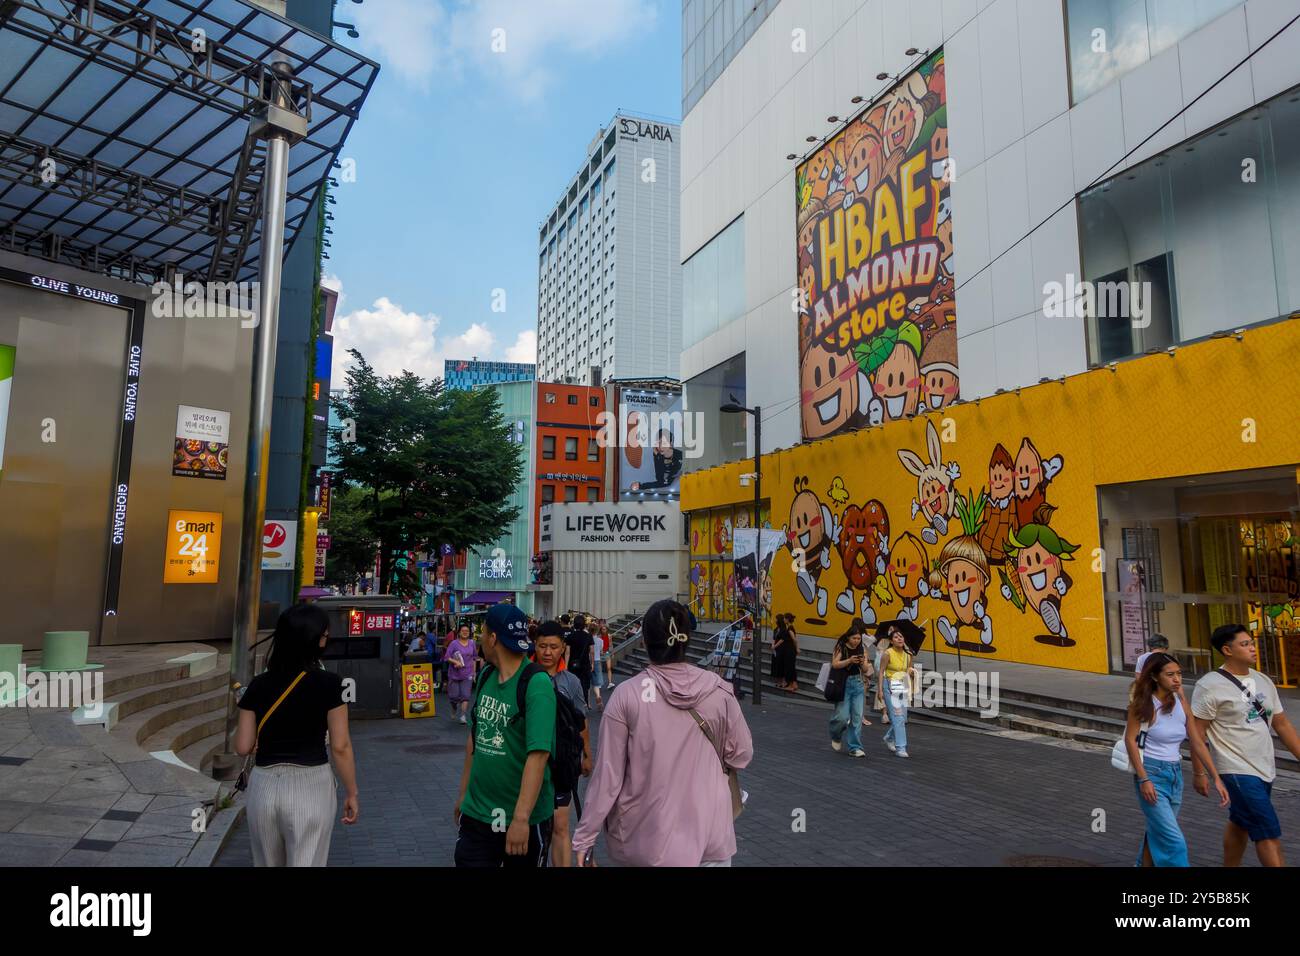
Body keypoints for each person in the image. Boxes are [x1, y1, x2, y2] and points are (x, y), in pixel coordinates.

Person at [573, 599, 753, 867]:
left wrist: (585, 837)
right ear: (687, 639)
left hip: (647, 841)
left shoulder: (628, 695)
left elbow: (608, 777)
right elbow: (741, 755)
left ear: (644, 641)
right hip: (710, 838)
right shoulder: (719, 691)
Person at [235, 603, 358, 866]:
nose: (326, 641)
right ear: (313, 640)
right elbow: (340, 746)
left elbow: (242, 746)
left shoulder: (258, 684)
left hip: (264, 785)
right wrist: (352, 792)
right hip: (310, 784)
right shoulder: (330, 684)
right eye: (324, 636)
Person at [453, 604, 557, 867]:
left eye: (482, 632)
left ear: (493, 638)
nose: (479, 639)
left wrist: (521, 818)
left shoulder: (537, 684)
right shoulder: (487, 674)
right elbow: (474, 739)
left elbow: (539, 754)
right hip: (477, 814)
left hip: (522, 819)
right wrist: (463, 795)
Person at [1191, 623, 1300, 867]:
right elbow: (1197, 733)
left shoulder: (1262, 680)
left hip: (1264, 767)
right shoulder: (1209, 685)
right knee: (1267, 830)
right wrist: (1199, 773)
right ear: (1227, 650)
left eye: (1251, 643)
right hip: (1235, 769)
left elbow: (1282, 724)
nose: (1253, 648)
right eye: (1245, 644)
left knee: (1240, 822)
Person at [1124, 653, 1228, 866]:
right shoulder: (1143, 704)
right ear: (1154, 676)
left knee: (1158, 833)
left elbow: (1197, 741)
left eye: (1179, 674)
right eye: (1170, 675)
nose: (1177, 679)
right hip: (1151, 774)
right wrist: (1144, 779)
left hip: (1175, 775)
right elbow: (1130, 741)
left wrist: (1215, 777)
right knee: (1174, 841)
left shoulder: (1180, 699)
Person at [534, 621, 592, 867]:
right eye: (543, 646)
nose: (547, 652)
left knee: (560, 825)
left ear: (562, 648)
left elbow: (581, 722)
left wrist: (587, 756)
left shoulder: (571, 682)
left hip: (563, 764)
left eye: (553, 647)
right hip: (530, 762)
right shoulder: (525, 677)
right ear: (534, 646)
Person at [828, 625, 869, 758]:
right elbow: (835, 664)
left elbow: (865, 670)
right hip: (843, 684)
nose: (857, 640)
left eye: (858, 638)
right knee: (842, 717)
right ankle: (836, 735)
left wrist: (862, 663)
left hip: (857, 683)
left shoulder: (862, 648)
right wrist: (850, 660)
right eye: (854, 638)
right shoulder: (841, 646)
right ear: (848, 637)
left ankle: (855, 747)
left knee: (857, 717)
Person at [880, 625, 916, 757]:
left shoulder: (908, 655)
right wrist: (880, 690)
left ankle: (889, 737)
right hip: (890, 685)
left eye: (901, 636)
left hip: (903, 684)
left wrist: (911, 672)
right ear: (891, 641)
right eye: (896, 637)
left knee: (903, 718)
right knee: (898, 717)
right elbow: (881, 672)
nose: (899, 638)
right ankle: (901, 747)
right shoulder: (887, 653)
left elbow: (908, 671)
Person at [445, 623, 478, 723]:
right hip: (454, 674)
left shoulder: (472, 643)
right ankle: (454, 708)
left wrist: (474, 672)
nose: (465, 632)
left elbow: (474, 658)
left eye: (467, 631)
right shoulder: (454, 643)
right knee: (454, 697)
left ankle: (463, 716)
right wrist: (456, 662)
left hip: (467, 674)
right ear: (459, 632)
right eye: (463, 631)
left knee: (465, 696)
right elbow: (447, 657)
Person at [564, 613, 596, 705]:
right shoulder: (588, 636)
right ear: (584, 624)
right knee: (585, 684)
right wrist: (592, 663)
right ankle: (584, 701)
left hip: (573, 664)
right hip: (585, 663)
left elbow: (567, 652)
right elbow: (592, 651)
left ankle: (573, 701)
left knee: (573, 682)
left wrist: (566, 665)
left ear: (574, 624)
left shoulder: (570, 636)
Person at [590, 621, 607, 711]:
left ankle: (587, 702)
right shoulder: (600, 641)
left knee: (587, 683)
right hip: (597, 661)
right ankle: (598, 696)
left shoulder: (587, 639)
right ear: (597, 631)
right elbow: (601, 651)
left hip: (588, 661)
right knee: (596, 683)